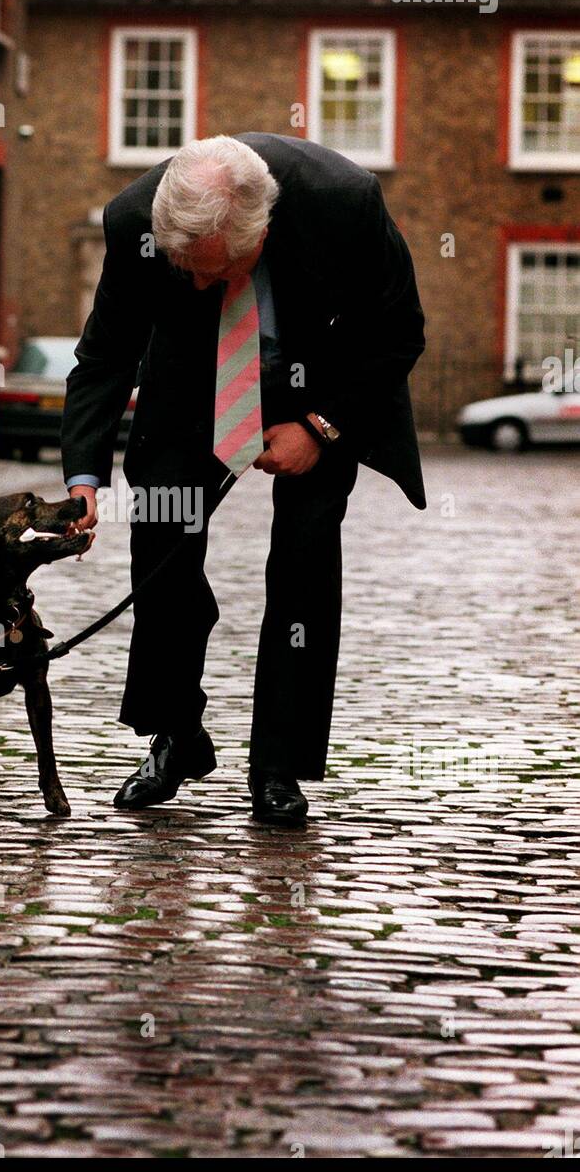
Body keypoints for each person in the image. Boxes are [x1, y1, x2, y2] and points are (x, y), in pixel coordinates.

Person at [61, 133, 426, 826]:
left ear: (259, 231)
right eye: (183, 269)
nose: (197, 282)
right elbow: (105, 353)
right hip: (189, 382)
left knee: (302, 565)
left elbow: (396, 332)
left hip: (320, 385)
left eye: (213, 268)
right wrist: (84, 475)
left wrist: (318, 426)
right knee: (162, 541)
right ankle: (177, 734)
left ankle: (277, 763)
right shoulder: (133, 220)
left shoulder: (343, 203)